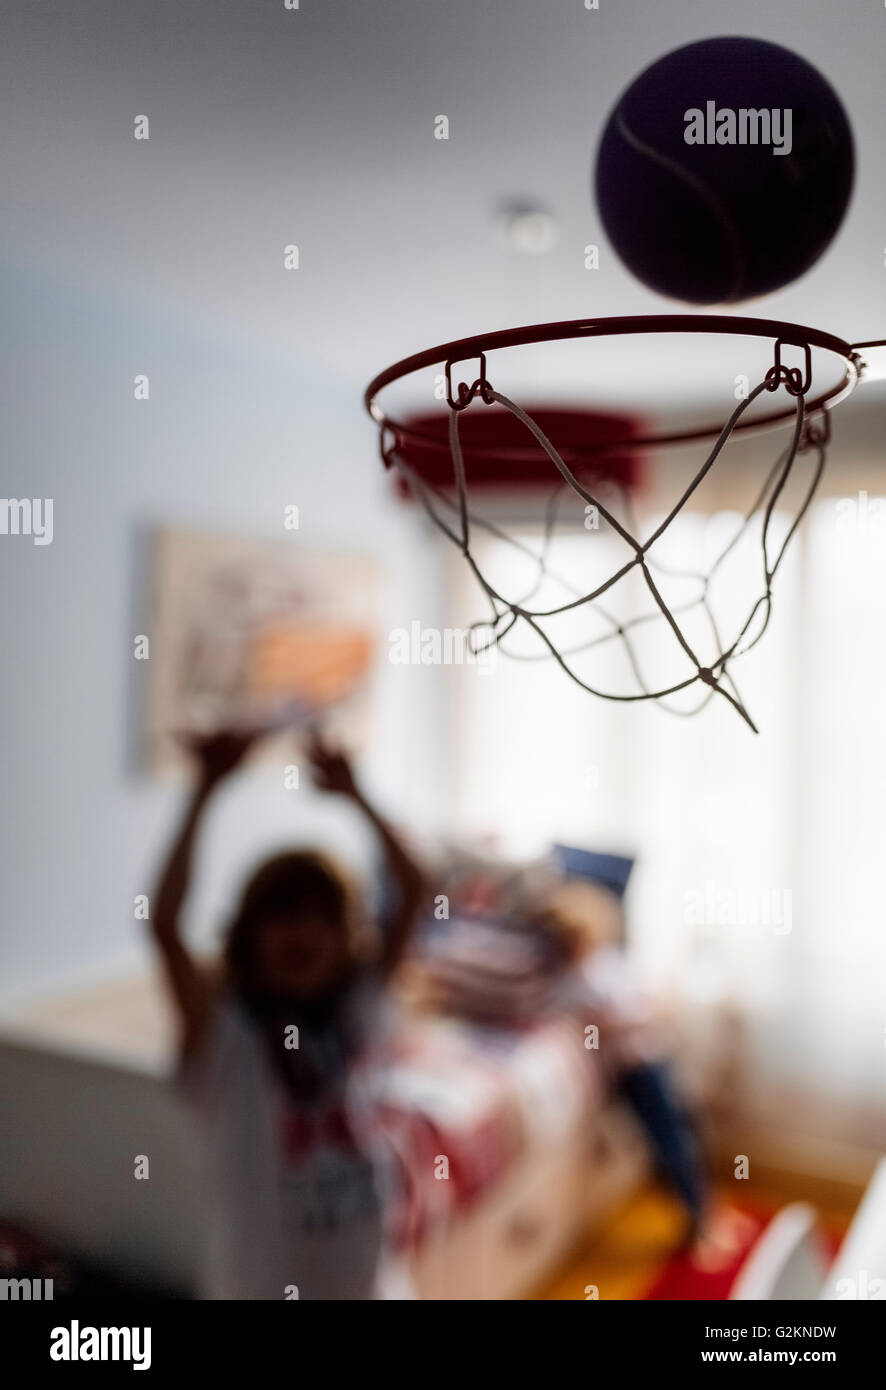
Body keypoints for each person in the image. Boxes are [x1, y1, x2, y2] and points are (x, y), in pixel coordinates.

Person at [147, 726, 426, 1300]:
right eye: (281, 917)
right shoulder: (224, 1034)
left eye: (320, 918)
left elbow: (417, 888)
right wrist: (205, 790)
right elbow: (164, 923)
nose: (300, 933)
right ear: (248, 936)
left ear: (346, 937)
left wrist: (358, 796)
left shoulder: (359, 1005)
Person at [536, 876, 753, 1269]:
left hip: (656, 1056)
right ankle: (699, 1225)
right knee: (669, 1144)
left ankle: (710, 1209)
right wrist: (631, 1016)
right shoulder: (571, 983)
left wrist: (646, 1010)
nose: (580, 947)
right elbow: (604, 1022)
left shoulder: (608, 965)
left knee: (690, 1132)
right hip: (635, 1071)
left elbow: (641, 1000)